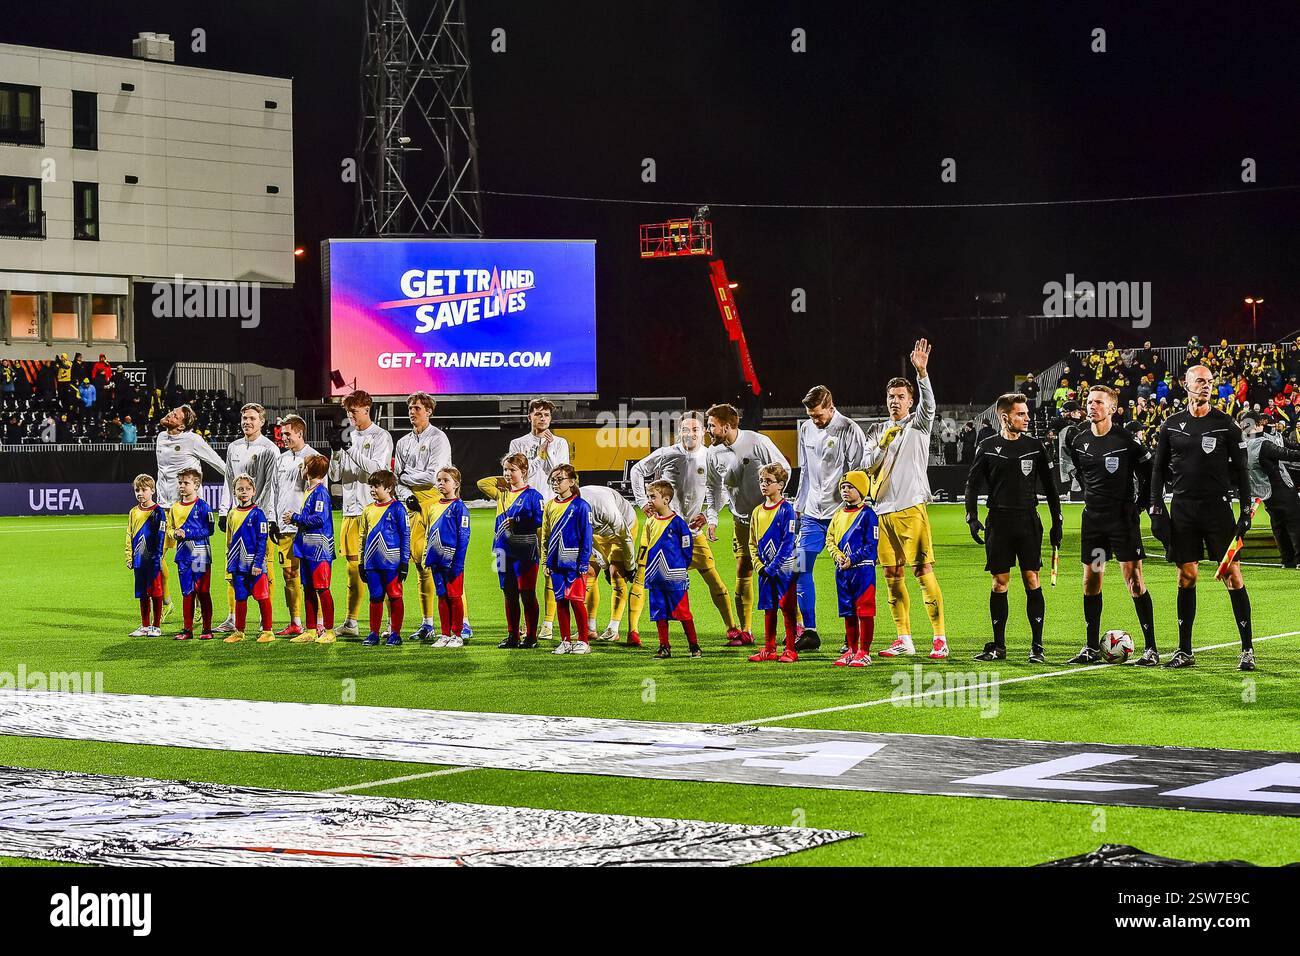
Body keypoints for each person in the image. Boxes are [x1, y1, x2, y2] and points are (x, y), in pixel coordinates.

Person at [1149, 366, 1256, 670]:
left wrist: (1245, 510)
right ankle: (1184, 651)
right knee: (1186, 576)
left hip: (1217, 510)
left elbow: (1242, 471)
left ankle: (1247, 649)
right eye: (1200, 382)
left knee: (1232, 575)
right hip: (1183, 509)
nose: (1206, 386)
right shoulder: (1171, 425)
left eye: (1210, 382)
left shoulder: (1226, 425)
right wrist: (1157, 510)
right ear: (1185, 385)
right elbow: (1157, 470)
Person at [861, 339, 949, 660]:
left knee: (922, 571)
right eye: (891, 396)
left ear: (910, 401)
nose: (895, 401)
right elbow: (865, 466)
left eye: (901, 397)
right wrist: (882, 443)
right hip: (882, 511)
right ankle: (904, 638)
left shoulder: (919, 424)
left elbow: (931, 406)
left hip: (911, 508)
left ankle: (939, 638)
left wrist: (922, 373)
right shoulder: (876, 431)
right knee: (892, 577)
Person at [1063, 386, 1159, 665]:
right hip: (1094, 523)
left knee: (1134, 582)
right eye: (1089, 402)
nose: (1092, 406)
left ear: (1112, 408)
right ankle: (1091, 647)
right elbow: (1082, 473)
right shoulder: (1080, 440)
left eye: (1098, 402)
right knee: (1091, 581)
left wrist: (1139, 507)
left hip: (1122, 523)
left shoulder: (1126, 440)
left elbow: (1150, 473)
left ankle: (1151, 649)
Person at [965, 393, 1063, 663]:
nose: (1027, 418)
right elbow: (972, 485)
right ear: (1004, 417)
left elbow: (1051, 487)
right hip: (998, 522)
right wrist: (971, 517)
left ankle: (1037, 646)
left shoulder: (1034, 446)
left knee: (1032, 579)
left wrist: (1057, 521)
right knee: (1000, 583)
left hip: (1028, 521)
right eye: (1021, 414)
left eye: (1026, 413)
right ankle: (998, 646)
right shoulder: (986, 446)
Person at [628, 411, 740, 644]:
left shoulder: (711, 456)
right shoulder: (667, 453)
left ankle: (732, 628)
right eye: (686, 429)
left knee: (713, 577)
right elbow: (637, 471)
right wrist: (642, 502)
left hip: (691, 532)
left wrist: (709, 514)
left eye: (696, 429)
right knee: (642, 577)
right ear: (679, 432)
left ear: (703, 431)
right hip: (660, 531)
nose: (690, 434)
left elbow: (722, 490)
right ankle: (633, 631)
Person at [706, 402, 790, 643]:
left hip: (769, 519)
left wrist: (774, 501)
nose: (708, 430)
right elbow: (713, 488)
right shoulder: (713, 453)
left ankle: (796, 628)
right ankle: (746, 631)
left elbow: (783, 469)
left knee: (780, 571)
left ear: (727, 426)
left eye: (712, 425)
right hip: (741, 520)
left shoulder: (757, 442)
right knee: (744, 569)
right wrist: (712, 517)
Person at [792, 385, 867, 651]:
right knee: (799, 568)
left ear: (831, 407)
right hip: (812, 514)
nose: (815, 420)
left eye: (819, 415)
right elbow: (805, 471)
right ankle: (810, 631)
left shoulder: (849, 429)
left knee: (848, 573)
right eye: (811, 415)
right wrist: (799, 506)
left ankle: (852, 636)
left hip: (841, 515)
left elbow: (859, 473)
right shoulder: (805, 429)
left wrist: (855, 510)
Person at [393, 392, 462, 642]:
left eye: (418, 408)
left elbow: (435, 476)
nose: (413, 412)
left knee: (447, 564)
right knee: (421, 565)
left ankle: (461, 622)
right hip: (413, 505)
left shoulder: (438, 438)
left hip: (437, 502)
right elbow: (395, 478)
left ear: (429, 411)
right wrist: (404, 492)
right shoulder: (402, 443)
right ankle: (427, 623)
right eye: (411, 408)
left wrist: (407, 477)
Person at [328, 391, 395, 638]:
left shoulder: (381, 436)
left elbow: (378, 471)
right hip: (350, 511)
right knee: (353, 569)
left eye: (354, 411)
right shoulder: (348, 436)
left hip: (375, 512)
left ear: (367, 408)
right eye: (347, 412)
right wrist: (336, 452)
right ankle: (351, 622)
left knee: (383, 568)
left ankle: (390, 623)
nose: (350, 416)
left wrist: (349, 449)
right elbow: (335, 476)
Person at [155, 403, 226, 620]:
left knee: (193, 562)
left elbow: (219, 464)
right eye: (171, 411)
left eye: (175, 415)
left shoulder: (193, 440)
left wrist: (238, 488)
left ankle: (197, 606)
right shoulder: (160, 437)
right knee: (156, 556)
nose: (169, 414)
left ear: (183, 424)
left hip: (189, 511)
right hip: (165, 507)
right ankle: (167, 602)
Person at [214, 404, 280, 633]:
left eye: (252, 418)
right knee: (233, 567)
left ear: (262, 421)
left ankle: (265, 619)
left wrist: (268, 516)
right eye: (244, 418)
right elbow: (228, 480)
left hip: (258, 517)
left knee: (263, 567)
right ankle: (232, 616)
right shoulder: (233, 447)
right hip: (236, 516)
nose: (247, 422)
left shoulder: (270, 449)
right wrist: (224, 510)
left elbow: (272, 485)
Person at [510, 399, 571, 638]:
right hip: (526, 510)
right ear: (529, 417)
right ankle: (528, 621)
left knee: (551, 564)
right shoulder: (519, 443)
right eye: (537, 414)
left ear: (551, 418)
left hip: (552, 508)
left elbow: (563, 474)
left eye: (546, 414)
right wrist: (539, 454)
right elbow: (521, 475)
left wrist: (549, 453)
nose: (542, 418)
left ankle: (548, 622)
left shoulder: (561, 442)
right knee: (525, 567)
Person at [478, 453, 545, 649]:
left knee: (527, 593)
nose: (507, 473)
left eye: (512, 470)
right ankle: (513, 636)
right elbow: (482, 483)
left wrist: (519, 522)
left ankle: (531, 637)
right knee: (509, 593)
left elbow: (540, 522)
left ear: (524, 471)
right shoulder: (502, 493)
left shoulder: (534, 496)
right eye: (505, 469)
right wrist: (505, 480)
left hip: (525, 551)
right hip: (502, 551)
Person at [638, 479, 701, 659]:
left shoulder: (678, 523)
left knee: (683, 613)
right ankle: (664, 646)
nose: (649, 500)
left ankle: (694, 645)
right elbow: (644, 547)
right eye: (648, 496)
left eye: (653, 496)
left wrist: (680, 568)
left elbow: (687, 549)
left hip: (675, 578)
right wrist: (642, 568)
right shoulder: (650, 523)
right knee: (659, 613)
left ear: (666, 500)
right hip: (655, 577)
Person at [269, 415, 318, 637]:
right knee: (289, 575)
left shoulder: (313, 458)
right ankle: (295, 621)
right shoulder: (281, 459)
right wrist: (272, 519)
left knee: (311, 576)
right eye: (282, 433)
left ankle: (316, 622)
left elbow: (318, 495)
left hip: (306, 528)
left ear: (300, 433)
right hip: (284, 527)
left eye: (287, 433)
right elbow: (274, 491)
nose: (283, 437)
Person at [747, 462, 800, 663]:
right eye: (761, 480)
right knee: (769, 608)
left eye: (768, 481)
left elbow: (789, 541)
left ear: (780, 485)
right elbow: (752, 542)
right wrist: (759, 565)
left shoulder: (787, 510)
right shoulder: (756, 512)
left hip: (785, 568)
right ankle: (769, 648)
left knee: (787, 607)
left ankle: (790, 649)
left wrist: (773, 566)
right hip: (764, 570)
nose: (763, 484)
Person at [540, 464, 594, 655]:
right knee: (561, 601)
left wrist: (583, 563)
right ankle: (565, 640)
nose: (555, 483)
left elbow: (587, 537)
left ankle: (583, 641)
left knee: (577, 601)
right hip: (555, 563)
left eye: (559, 479)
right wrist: (545, 561)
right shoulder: (549, 505)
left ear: (572, 482)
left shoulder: (581, 506)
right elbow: (545, 535)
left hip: (574, 564)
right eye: (552, 480)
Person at [283, 454, 336, 643]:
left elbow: (319, 519)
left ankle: (329, 631)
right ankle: (311, 630)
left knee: (322, 588)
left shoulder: (321, 493)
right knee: (308, 589)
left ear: (309, 470)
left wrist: (295, 517)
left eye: (303, 466)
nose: (301, 469)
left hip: (319, 548)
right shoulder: (311, 491)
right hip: (306, 547)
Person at [827, 470, 879, 667]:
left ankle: (864, 651)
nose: (845, 491)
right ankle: (852, 649)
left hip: (863, 570)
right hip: (842, 570)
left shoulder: (868, 515)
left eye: (850, 487)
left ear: (861, 490)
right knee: (847, 610)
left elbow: (871, 545)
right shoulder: (839, 514)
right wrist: (838, 556)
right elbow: (830, 539)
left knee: (864, 611)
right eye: (843, 487)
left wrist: (852, 558)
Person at [579, 483, 640, 643]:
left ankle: (613, 629)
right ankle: (590, 628)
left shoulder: (606, 508)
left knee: (617, 574)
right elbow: (588, 542)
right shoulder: (570, 511)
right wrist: (603, 565)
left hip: (624, 526)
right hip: (597, 533)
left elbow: (625, 538)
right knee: (589, 573)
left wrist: (630, 566)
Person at [221, 473, 275, 644]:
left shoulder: (258, 514)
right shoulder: (232, 514)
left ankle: (267, 631)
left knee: (262, 597)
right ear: (234, 492)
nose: (243, 492)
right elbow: (229, 541)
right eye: (240, 489)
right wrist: (229, 564)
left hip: (255, 565)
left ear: (254, 491)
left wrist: (258, 562)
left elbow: (262, 539)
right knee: (240, 597)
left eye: (247, 489)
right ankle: (239, 631)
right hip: (238, 565)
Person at [358, 469, 409, 647]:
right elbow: (362, 537)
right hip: (372, 564)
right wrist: (361, 562)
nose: (372, 489)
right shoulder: (368, 510)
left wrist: (404, 562)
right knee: (375, 597)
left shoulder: (398, 509)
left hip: (392, 564)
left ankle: (395, 633)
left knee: (395, 596)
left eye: (376, 486)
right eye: (371, 486)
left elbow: (405, 536)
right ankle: (374, 633)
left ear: (389, 488)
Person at [423, 467, 471, 648]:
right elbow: (429, 533)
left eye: (446, 480)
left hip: (452, 562)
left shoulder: (460, 508)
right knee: (442, 596)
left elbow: (464, 537)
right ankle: (444, 634)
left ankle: (457, 634)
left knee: (454, 596)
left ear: (456, 484)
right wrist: (427, 557)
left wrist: (458, 563)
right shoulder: (433, 507)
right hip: (436, 561)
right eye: (439, 480)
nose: (441, 483)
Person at [167, 467, 215, 641]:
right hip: (183, 556)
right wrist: (174, 534)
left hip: (200, 555)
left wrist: (187, 533)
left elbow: (209, 530)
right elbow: (170, 529)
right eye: (180, 482)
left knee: (202, 592)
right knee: (187, 592)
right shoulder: (175, 507)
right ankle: (187, 630)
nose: (182, 486)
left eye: (186, 483)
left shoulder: (203, 507)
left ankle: (207, 629)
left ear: (196, 485)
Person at [1245, 418, 1300, 568]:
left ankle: (1287, 560)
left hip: (1264, 492)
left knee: (1278, 525)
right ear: (1257, 425)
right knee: (1295, 523)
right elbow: (1286, 453)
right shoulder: (1262, 443)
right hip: (1281, 487)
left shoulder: (1243, 444)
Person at [124, 474, 166, 638]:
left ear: (153, 491)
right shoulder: (133, 512)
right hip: (139, 559)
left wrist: (158, 557)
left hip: (153, 560)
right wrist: (129, 556)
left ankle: (156, 626)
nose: (140, 493)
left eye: (144, 490)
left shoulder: (158, 512)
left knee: (155, 592)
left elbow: (161, 536)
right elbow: (129, 534)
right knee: (142, 593)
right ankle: (144, 625)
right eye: (137, 490)